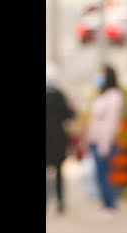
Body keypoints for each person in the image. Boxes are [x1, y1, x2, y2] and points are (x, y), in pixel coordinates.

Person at [86, 64, 125, 214]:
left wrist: (105, 144)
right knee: (100, 174)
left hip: (105, 142)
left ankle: (110, 205)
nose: (98, 78)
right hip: (96, 140)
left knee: (105, 174)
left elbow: (111, 123)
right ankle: (106, 203)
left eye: (101, 75)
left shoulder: (114, 97)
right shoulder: (103, 96)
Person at [46, 64, 76, 214]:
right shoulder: (60, 95)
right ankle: (60, 201)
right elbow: (70, 115)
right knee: (58, 171)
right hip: (58, 138)